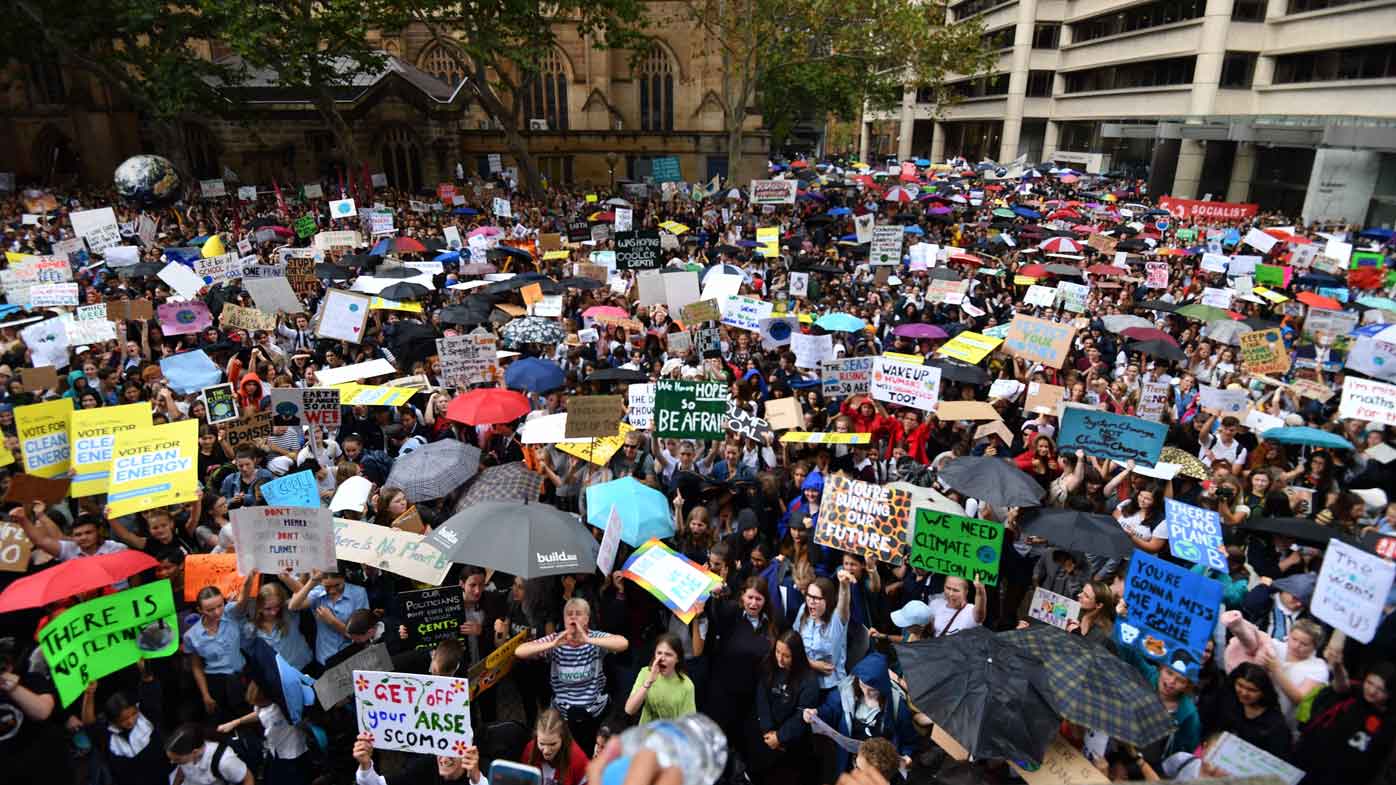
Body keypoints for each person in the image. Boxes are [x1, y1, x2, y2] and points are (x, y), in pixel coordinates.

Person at [514, 597, 629, 755]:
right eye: (569, 614)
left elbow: (623, 643)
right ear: (564, 619)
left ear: (587, 619)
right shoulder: (556, 638)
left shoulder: (595, 637)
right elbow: (519, 651)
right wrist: (552, 644)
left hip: (594, 710)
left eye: (578, 614)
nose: (573, 617)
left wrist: (588, 640)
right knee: (567, 755)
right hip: (563, 712)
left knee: (590, 753)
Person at [804, 652, 918, 774]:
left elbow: (908, 738)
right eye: (863, 686)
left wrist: (907, 755)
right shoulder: (846, 691)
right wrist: (816, 713)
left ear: (883, 687)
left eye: (872, 690)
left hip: (879, 768)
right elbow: (830, 709)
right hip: (849, 760)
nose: (866, 693)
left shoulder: (897, 705)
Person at [1291, 661, 1395, 785]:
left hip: (1342, 777)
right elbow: (1339, 685)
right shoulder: (1351, 692)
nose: (1372, 691)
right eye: (1369, 683)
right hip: (1308, 761)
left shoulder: (1389, 722)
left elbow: (1378, 762)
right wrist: (1337, 665)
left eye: (1381, 689)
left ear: (1391, 693)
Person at [748, 629, 820, 782]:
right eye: (778, 652)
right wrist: (768, 730)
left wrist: (780, 737)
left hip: (791, 740)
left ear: (797, 656)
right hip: (766, 732)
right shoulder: (769, 665)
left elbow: (801, 716)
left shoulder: (809, 680)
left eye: (786, 656)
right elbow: (761, 697)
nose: (780, 659)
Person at [182, 586, 248, 721]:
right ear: (200, 610)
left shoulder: (231, 615)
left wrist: (247, 582)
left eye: (220, 606)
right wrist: (205, 695)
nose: (217, 612)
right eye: (210, 610)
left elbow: (243, 602)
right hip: (217, 682)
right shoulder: (191, 636)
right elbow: (196, 666)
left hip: (243, 676)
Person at [1200, 663, 1291, 758]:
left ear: (1264, 692)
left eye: (1252, 690)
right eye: (1240, 685)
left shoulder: (1275, 725)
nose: (1244, 693)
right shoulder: (1227, 698)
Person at [289, 569, 370, 670]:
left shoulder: (358, 593)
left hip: (351, 657)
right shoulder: (319, 592)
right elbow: (293, 606)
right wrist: (312, 582)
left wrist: (332, 621)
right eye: (327, 587)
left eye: (337, 585)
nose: (332, 591)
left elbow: (361, 635)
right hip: (325, 658)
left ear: (343, 579)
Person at [352, 730, 486, 784]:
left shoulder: (483, 772)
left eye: (453, 750)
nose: (444, 758)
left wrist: (476, 779)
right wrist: (365, 765)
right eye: (441, 747)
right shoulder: (425, 767)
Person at [793, 574, 851, 692]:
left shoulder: (836, 618)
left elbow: (844, 602)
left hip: (831, 685)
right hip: (804, 678)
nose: (811, 601)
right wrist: (811, 664)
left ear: (827, 600)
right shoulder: (803, 610)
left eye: (816, 598)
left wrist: (844, 586)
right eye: (809, 596)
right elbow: (793, 644)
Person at [624, 631, 696, 723]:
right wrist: (648, 682)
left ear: (677, 658)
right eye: (659, 653)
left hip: (671, 731)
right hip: (647, 731)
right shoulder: (645, 673)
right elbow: (629, 710)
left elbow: (688, 722)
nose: (662, 658)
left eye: (668, 654)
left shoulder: (687, 685)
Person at [164, 723, 255, 785]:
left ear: (195, 752)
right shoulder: (185, 756)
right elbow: (182, 770)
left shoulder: (225, 762)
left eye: (177, 759)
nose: (172, 762)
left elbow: (248, 778)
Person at [520, 707, 590, 785]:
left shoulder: (578, 759)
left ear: (563, 738)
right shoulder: (529, 750)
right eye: (542, 744)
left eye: (552, 744)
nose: (546, 751)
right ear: (537, 737)